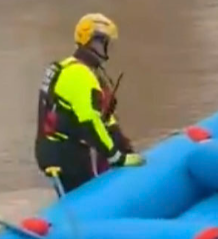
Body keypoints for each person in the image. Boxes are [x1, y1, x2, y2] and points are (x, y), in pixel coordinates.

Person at [35, 13, 145, 195]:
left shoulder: (65, 68)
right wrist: (116, 157)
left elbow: (103, 120)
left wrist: (123, 145)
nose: (106, 50)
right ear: (94, 42)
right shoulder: (81, 76)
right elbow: (90, 123)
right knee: (88, 194)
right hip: (66, 154)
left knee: (73, 195)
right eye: (105, 44)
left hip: (49, 147)